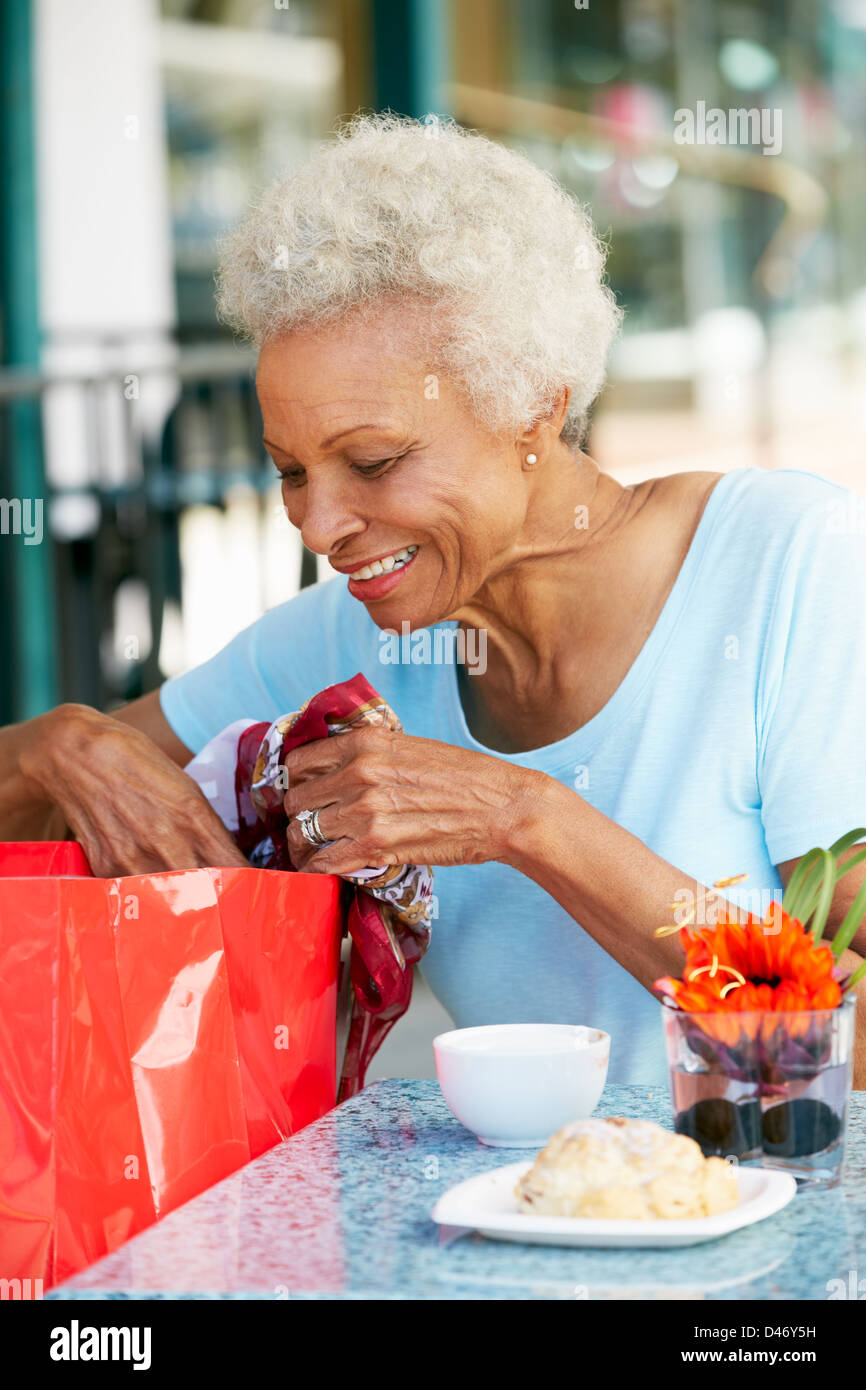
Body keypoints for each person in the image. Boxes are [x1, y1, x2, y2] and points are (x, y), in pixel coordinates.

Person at [4, 115, 866, 1086]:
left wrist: (524, 818)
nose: (318, 525)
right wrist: (63, 746)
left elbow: (846, 1033)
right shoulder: (350, 637)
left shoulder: (789, 564)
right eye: (290, 471)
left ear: (533, 403)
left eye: (372, 462)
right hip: (526, 1214)